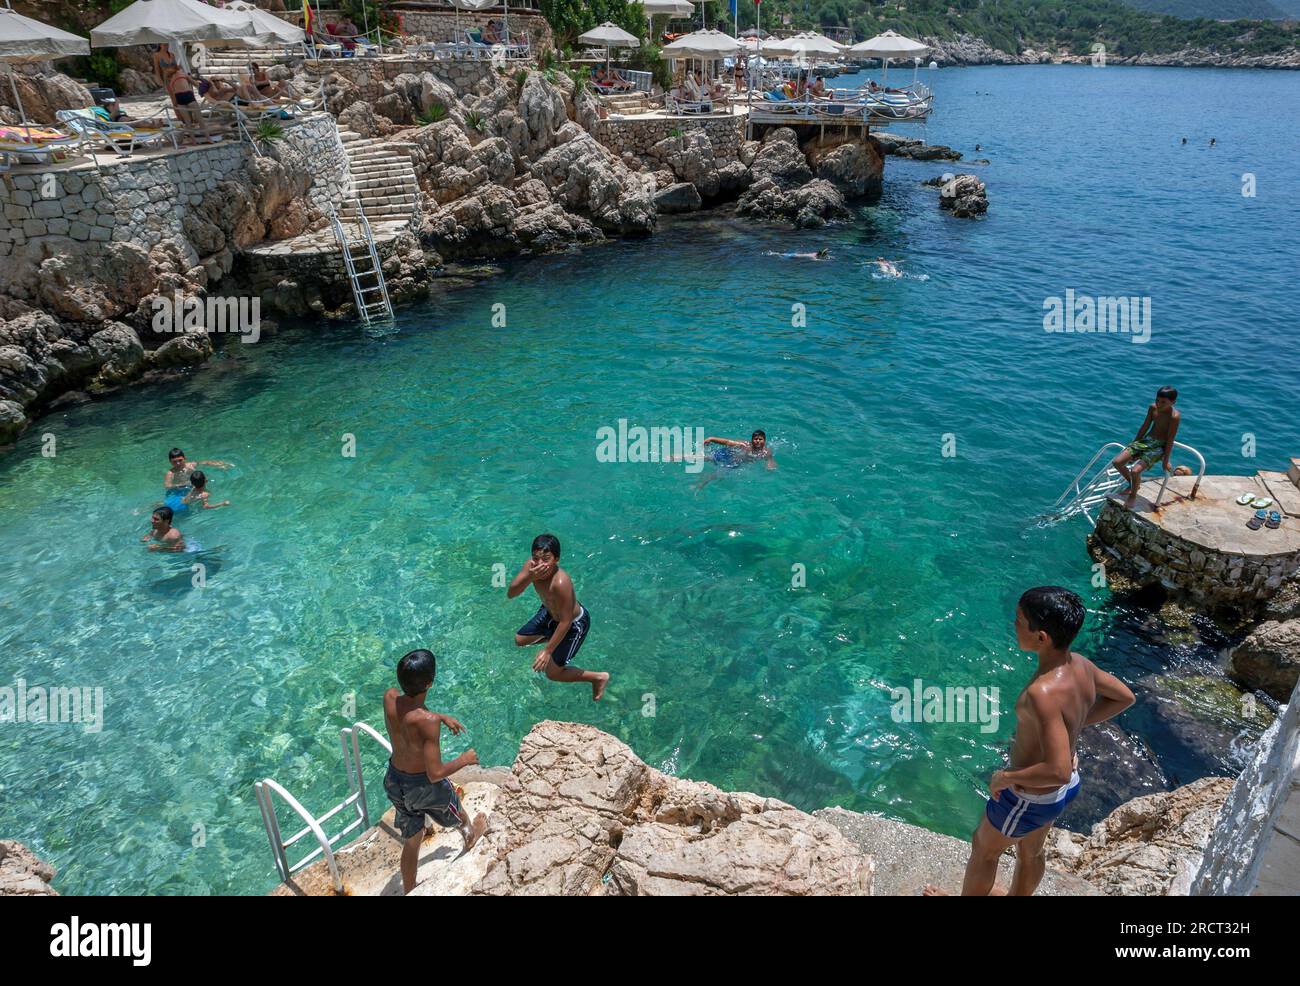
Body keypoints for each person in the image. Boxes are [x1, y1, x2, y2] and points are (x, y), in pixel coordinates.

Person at [925, 587, 1135, 897]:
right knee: (1031, 852)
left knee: (983, 848)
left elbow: (1057, 770)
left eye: (1020, 620)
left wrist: (1006, 777)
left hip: (1029, 796)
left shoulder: (1042, 693)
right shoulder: (1080, 665)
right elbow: (1125, 697)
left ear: (1042, 637)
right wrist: (1073, 726)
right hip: (1061, 791)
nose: (1014, 625)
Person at [382, 649, 488, 893]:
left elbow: (409, 711)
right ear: (430, 683)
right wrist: (464, 759)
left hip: (394, 780)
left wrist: (440, 716)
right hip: (423, 786)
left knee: (412, 839)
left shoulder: (389, 697)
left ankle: (410, 888)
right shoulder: (427, 723)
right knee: (456, 808)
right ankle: (470, 835)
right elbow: (435, 773)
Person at [508, 534, 609, 700]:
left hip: (573, 625)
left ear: (557, 559)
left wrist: (547, 651)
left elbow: (566, 621)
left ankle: (598, 677)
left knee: (553, 673)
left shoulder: (561, 583)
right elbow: (512, 593)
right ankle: (556, 640)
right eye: (536, 558)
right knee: (520, 640)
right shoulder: (531, 568)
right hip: (550, 612)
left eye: (546, 559)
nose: (540, 564)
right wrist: (529, 577)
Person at [1111, 386, 1180, 502]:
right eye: (1157, 400)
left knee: (1135, 470)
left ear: (1173, 402)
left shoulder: (1174, 417)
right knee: (1117, 462)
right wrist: (1134, 443)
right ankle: (1133, 485)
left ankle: (1133, 496)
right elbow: (1145, 427)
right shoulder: (1153, 408)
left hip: (1159, 446)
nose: (1159, 404)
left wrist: (1166, 460)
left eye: (1163, 402)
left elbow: (1170, 439)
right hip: (1146, 441)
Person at [702, 430, 776, 471]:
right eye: (755, 439)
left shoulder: (766, 452)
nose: (758, 441)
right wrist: (712, 439)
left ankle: (700, 485)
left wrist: (770, 466)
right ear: (752, 440)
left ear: (764, 440)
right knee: (704, 458)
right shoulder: (745, 445)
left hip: (734, 464)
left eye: (760, 439)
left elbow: (770, 460)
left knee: (718, 475)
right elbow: (727, 442)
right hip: (726, 455)